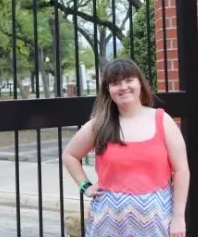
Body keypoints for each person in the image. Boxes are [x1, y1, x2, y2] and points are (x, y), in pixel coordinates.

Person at [63, 58, 189, 237]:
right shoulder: (99, 124)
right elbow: (70, 155)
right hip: (108, 220)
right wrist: (85, 186)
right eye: (115, 83)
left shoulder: (162, 120)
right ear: (108, 90)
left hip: (157, 218)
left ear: (140, 83)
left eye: (129, 80)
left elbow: (181, 170)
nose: (123, 87)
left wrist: (178, 216)